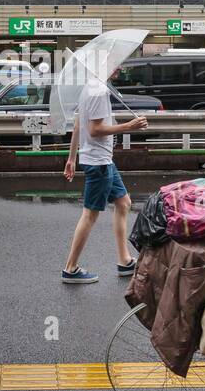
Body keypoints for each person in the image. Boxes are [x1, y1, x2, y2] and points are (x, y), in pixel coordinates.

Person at [60, 74, 148, 284]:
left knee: (123, 203)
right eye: (113, 63)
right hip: (98, 163)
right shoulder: (97, 91)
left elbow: (78, 126)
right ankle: (70, 268)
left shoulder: (89, 87)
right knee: (89, 215)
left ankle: (124, 260)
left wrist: (72, 158)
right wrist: (130, 126)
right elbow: (95, 129)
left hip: (103, 160)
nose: (117, 68)